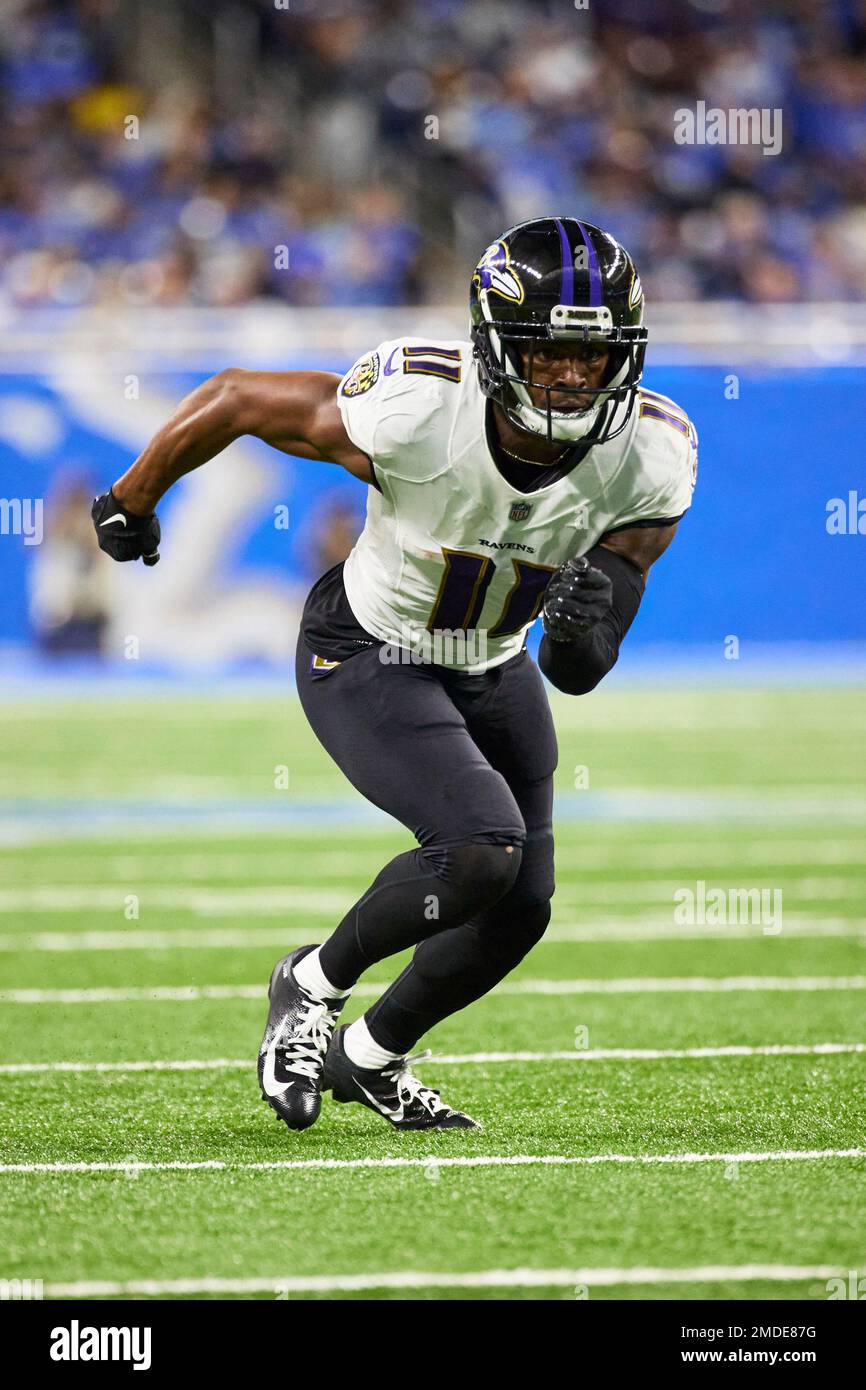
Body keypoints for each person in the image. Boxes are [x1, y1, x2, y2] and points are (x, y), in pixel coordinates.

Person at [92, 217, 698, 1133]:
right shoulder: (420, 410)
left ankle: (370, 1056)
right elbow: (236, 397)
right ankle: (308, 984)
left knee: (520, 904)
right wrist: (131, 500)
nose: (573, 375)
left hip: (492, 663)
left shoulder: (649, 456)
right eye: (546, 352)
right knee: (481, 846)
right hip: (371, 645)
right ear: (498, 347)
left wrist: (580, 631)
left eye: (592, 355)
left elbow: (579, 669)